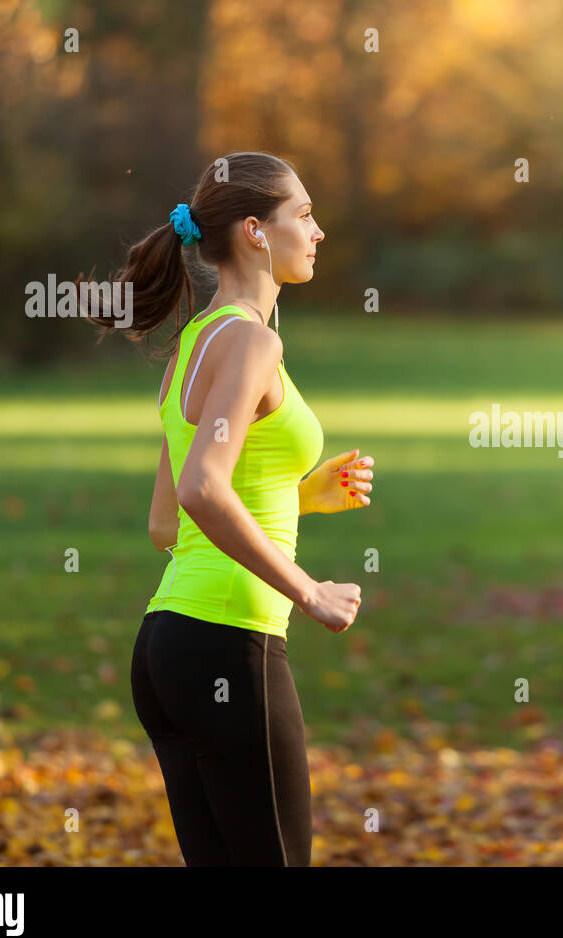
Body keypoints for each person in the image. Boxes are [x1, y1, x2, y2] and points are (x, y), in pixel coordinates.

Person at [84, 151, 373, 865]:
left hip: (166, 650)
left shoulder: (190, 348)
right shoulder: (250, 341)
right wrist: (310, 592)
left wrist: (297, 498)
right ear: (254, 230)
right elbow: (201, 491)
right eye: (301, 215)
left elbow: (164, 526)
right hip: (228, 644)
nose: (318, 231)